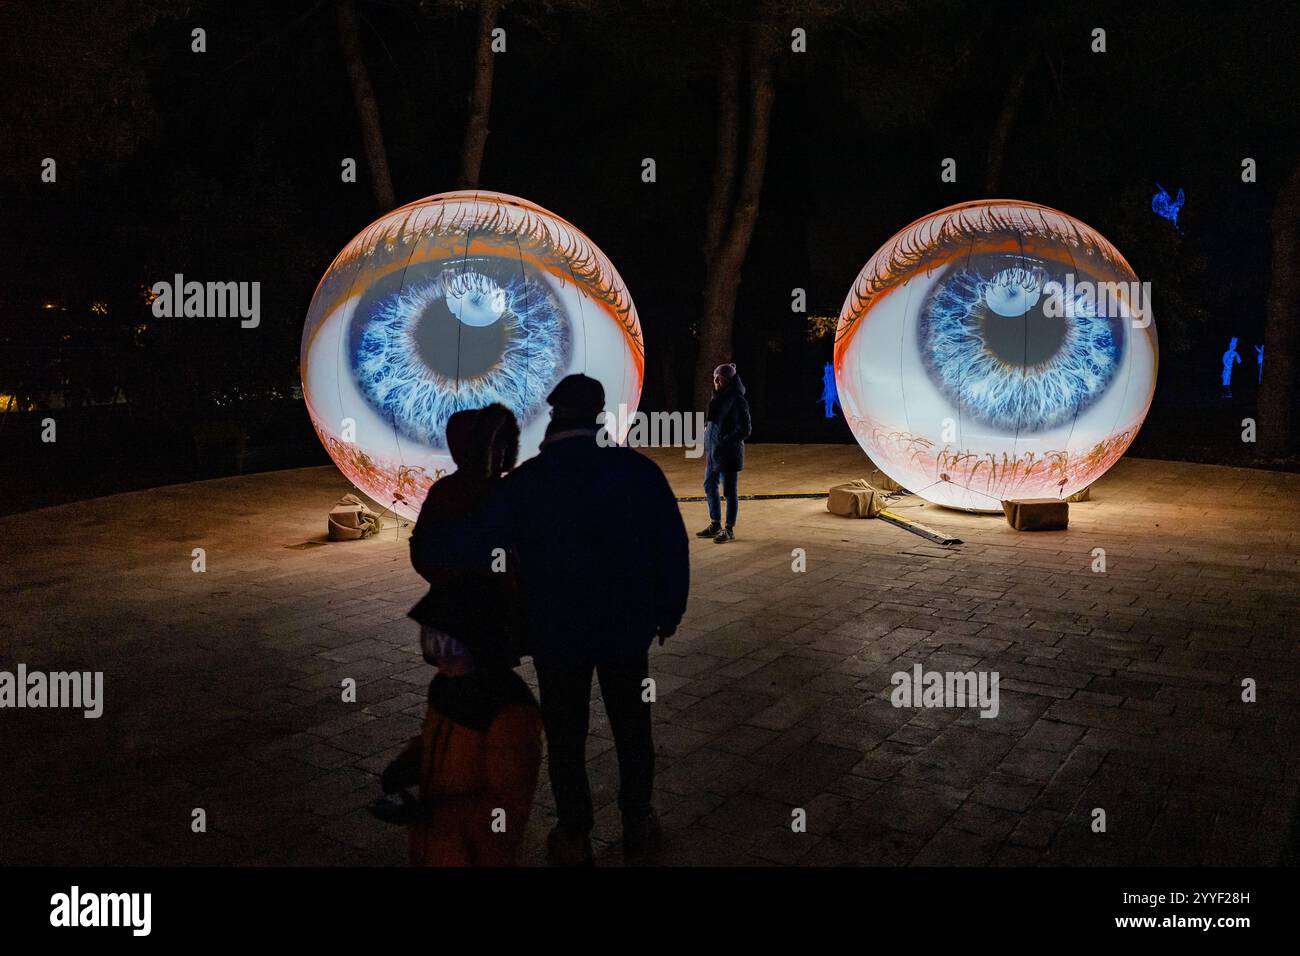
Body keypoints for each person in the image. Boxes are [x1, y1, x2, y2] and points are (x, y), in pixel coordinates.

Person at [410, 375, 690, 866]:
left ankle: (574, 833)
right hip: (626, 629)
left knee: (565, 732)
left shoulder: (527, 483)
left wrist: (436, 534)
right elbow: (672, 546)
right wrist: (669, 611)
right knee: (632, 724)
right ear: (599, 415)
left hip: (556, 633)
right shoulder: (638, 472)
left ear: (556, 417)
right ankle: (638, 819)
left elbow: (476, 543)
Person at [377, 405, 544, 867]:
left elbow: (503, 807)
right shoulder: (494, 497)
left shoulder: (507, 715)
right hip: (477, 614)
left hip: (469, 851)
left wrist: (433, 811)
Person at [697, 362, 751, 543]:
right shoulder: (718, 397)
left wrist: (725, 440)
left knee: (729, 492)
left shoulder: (737, 399)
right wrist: (708, 429)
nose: (716, 381)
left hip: (728, 454)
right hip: (714, 453)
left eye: (719, 378)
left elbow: (745, 428)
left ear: (727, 380)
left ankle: (729, 529)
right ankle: (715, 524)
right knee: (709, 486)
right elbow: (715, 420)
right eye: (715, 378)